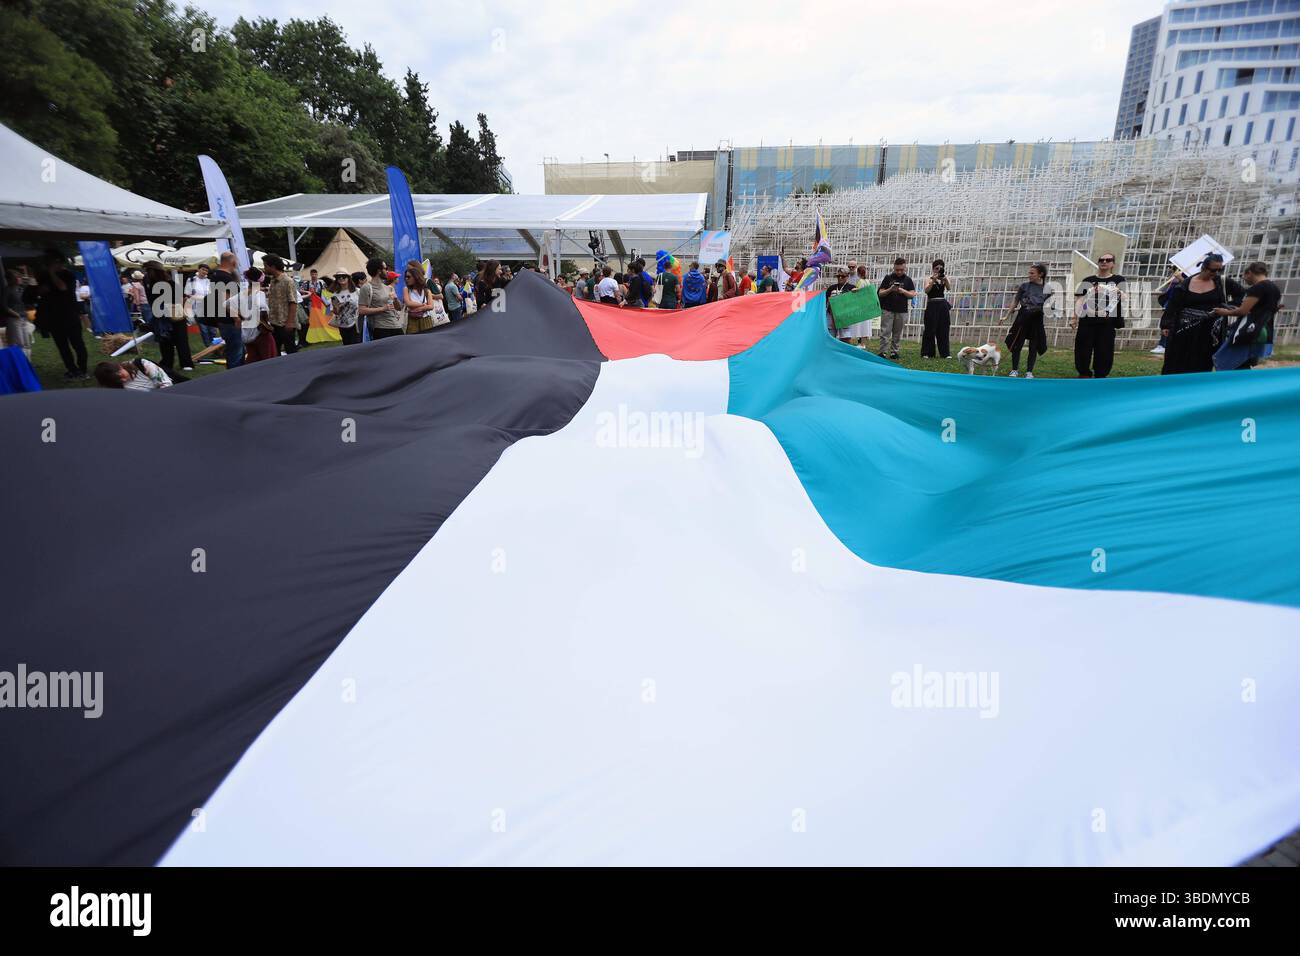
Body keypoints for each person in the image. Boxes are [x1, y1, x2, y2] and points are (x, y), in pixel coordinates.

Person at [1160, 254, 1229, 374]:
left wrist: (1228, 309)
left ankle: (1197, 387)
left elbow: (1242, 295)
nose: (1216, 273)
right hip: (1184, 329)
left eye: (1220, 269)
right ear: (1204, 268)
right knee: (1178, 359)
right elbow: (1173, 306)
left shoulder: (1221, 282)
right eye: (1213, 270)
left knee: (1202, 360)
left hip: (1208, 331)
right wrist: (1166, 324)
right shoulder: (1185, 284)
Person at [1211, 261, 1280, 371]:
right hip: (1263, 330)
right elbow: (1263, 309)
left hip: (1248, 330)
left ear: (1250, 273)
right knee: (1245, 361)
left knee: (1228, 361)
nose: (1244, 278)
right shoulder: (1274, 288)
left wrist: (1225, 312)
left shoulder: (1257, 288)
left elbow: (1243, 311)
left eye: (1244, 275)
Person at [35, 250, 88, 380]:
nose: (52, 265)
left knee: (78, 344)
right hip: (53, 317)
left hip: (70, 315)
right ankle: (72, 369)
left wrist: (52, 273)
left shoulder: (68, 274)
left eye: (55, 262)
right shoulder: (43, 276)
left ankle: (82, 369)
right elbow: (40, 291)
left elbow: (62, 287)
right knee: (62, 346)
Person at [1072, 253, 1125, 378]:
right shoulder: (1088, 280)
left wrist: (1116, 290)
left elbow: (1124, 297)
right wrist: (1074, 317)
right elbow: (1079, 300)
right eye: (1101, 260)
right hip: (1087, 320)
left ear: (1113, 264)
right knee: (1082, 348)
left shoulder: (1119, 280)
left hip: (1107, 322)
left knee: (1104, 350)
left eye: (1108, 260)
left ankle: (1101, 374)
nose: (1104, 262)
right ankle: (1084, 372)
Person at [1002, 263, 1050, 378]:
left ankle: (1029, 371)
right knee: (1017, 344)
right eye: (1029, 272)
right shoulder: (1024, 286)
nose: (1029, 275)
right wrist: (1006, 316)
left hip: (1037, 319)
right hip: (1023, 317)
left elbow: (1049, 307)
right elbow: (1015, 301)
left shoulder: (1047, 289)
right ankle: (1014, 370)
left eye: (1032, 273)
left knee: (1033, 345)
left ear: (1040, 274)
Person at [204, 251, 243, 369]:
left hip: (221, 318)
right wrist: (236, 318)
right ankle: (236, 377)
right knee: (235, 352)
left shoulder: (215, 275)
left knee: (233, 350)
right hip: (229, 320)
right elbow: (227, 301)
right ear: (232, 261)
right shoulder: (224, 278)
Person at [876, 257, 916, 360]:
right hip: (887, 309)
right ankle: (882, 352)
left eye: (901, 270)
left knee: (897, 333)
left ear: (905, 268)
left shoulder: (908, 280)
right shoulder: (888, 278)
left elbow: (912, 295)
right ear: (894, 267)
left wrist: (903, 291)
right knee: (885, 332)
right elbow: (880, 293)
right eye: (897, 269)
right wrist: (890, 289)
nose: (899, 272)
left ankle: (894, 352)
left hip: (901, 310)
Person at [359, 257, 403, 340]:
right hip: (380, 328)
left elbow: (399, 308)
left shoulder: (389, 288)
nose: (387, 271)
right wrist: (383, 308)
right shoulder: (366, 288)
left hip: (396, 325)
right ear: (379, 271)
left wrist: (396, 299)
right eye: (385, 268)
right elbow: (361, 310)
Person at [239, 266, 277, 362]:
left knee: (252, 360)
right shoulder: (259, 294)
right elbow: (262, 308)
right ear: (260, 281)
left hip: (247, 333)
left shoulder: (242, 294)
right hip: (260, 332)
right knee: (269, 359)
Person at [263, 255, 299, 354]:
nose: (264, 269)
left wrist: (290, 322)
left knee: (290, 351)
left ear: (273, 267)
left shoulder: (288, 281)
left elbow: (293, 302)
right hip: (275, 323)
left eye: (266, 266)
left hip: (285, 323)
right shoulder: (273, 280)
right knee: (275, 351)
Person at [838, 264, 876, 346]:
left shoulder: (860, 282)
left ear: (858, 273)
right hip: (867, 306)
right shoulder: (868, 281)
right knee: (865, 326)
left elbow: (857, 291)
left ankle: (861, 344)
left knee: (861, 326)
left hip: (861, 306)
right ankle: (863, 343)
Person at [920, 259, 952, 359]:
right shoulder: (928, 279)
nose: (938, 270)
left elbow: (949, 288)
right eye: (936, 268)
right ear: (933, 268)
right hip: (932, 304)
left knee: (943, 329)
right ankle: (927, 352)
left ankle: (945, 353)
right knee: (929, 328)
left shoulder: (944, 278)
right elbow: (926, 290)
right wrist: (933, 280)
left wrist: (944, 279)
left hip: (942, 304)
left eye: (940, 268)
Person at [3, 268, 33, 359]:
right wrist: (16, 314)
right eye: (16, 277)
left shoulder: (20, 289)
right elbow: (4, 306)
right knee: (19, 344)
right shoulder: (7, 290)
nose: (18, 279)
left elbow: (25, 302)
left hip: (24, 318)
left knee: (27, 343)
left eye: (19, 277)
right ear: (9, 279)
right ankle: (20, 363)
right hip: (14, 319)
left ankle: (28, 362)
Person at [93, 357, 172, 390]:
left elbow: (166, 384)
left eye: (122, 375)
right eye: (119, 380)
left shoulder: (142, 364)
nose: (124, 379)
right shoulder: (116, 388)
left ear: (120, 367)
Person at [403, 261, 437, 333]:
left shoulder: (427, 291)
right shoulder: (406, 289)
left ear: (416, 277)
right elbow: (408, 303)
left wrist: (419, 309)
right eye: (405, 277)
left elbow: (431, 306)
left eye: (408, 277)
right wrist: (423, 305)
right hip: (412, 320)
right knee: (413, 341)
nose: (406, 279)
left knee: (427, 341)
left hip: (426, 319)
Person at [185, 264, 214, 348]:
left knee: (212, 328)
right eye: (203, 269)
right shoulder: (191, 280)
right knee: (204, 329)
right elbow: (187, 293)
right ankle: (208, 346)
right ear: (198, 269)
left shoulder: (208, 281)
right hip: (197, 307)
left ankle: (215, 346)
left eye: (206, 270)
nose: (204, 272)